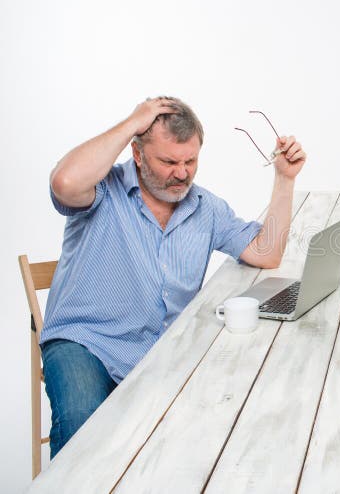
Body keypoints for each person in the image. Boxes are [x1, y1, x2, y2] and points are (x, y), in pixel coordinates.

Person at [41, 96, 306, 457]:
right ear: (137, 153)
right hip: (86, 343)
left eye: (190, 161)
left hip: (157, 354)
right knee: (82, 428)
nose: (181, 173)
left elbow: (266, 251)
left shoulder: (206, 208)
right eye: (168, 161)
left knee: (223, 424)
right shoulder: (103, 188)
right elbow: (65, 181)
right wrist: (134, 122)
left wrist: (284, 179)